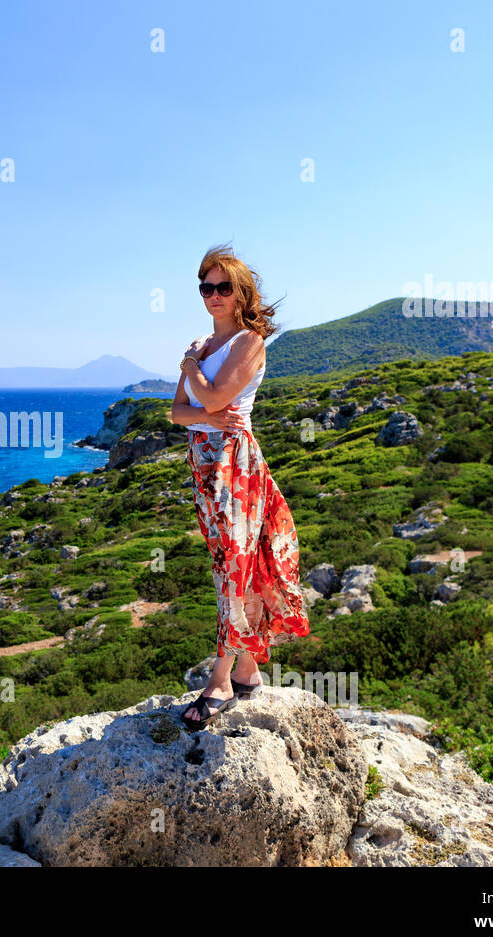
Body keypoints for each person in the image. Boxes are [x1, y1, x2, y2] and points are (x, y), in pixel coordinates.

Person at [167, 244, 312, 729]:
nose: (213, 296)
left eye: (222, 287)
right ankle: (250, 669)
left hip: (235, 465)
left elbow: (212, 397)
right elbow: (179, 414)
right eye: (205, 287)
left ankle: (222, 679)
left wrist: (192, 374)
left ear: (241, 291)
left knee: (236, 566)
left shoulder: (248, 342)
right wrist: (203, 404)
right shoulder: (201, 343)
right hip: (204, 465)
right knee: (230, 565)